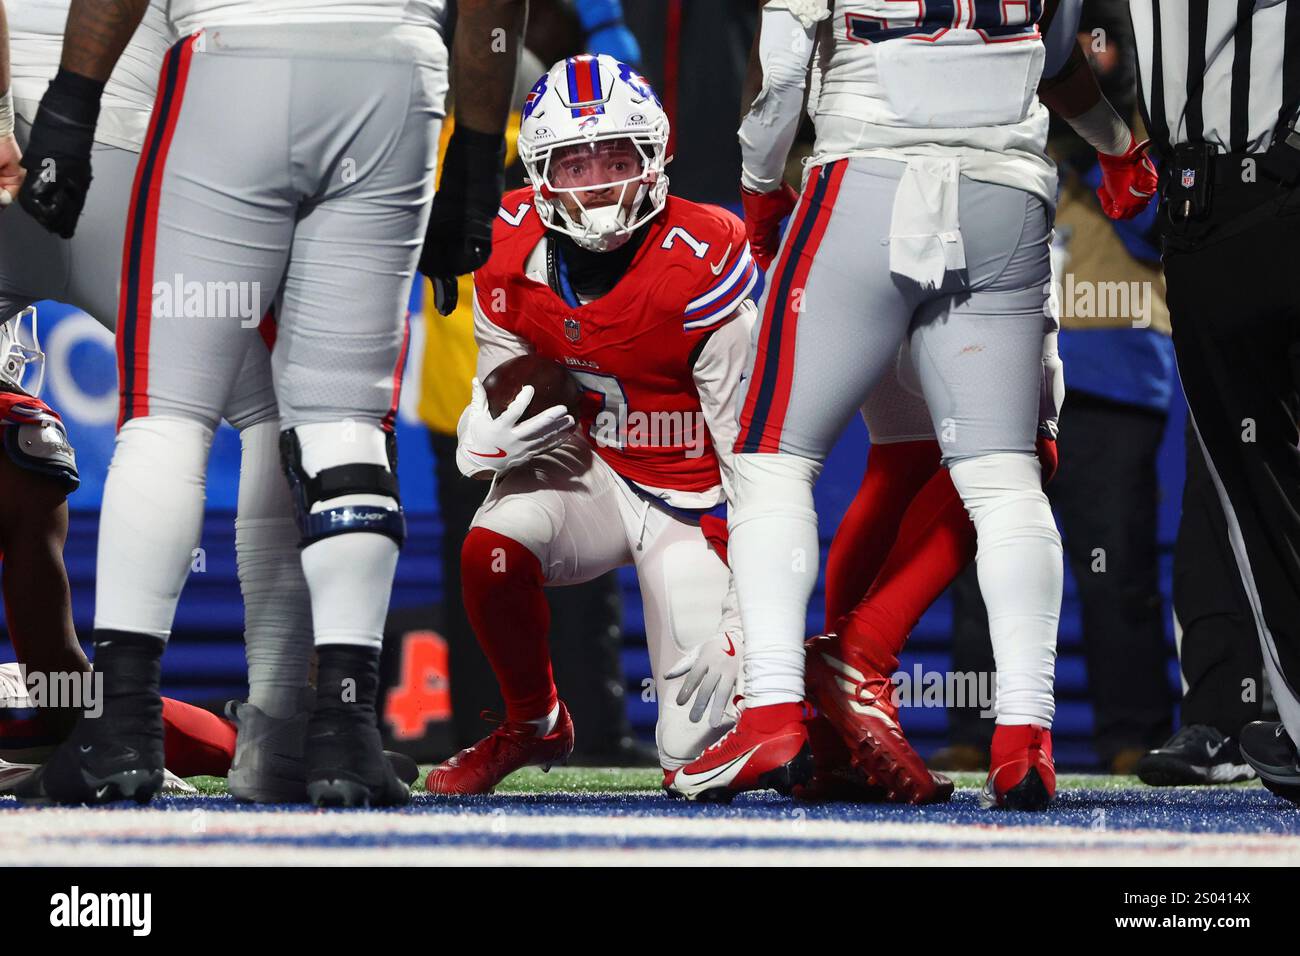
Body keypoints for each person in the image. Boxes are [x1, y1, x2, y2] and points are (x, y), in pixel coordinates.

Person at [15, 0, 523, 808]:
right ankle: (328, 729)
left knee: (168, 411)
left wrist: (69, 100)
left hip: (227, 58)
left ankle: (120, 727)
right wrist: (479, 147)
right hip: (395, 72)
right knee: (335, 417)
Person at [674, 0, 1152, 808]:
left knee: (770, 459)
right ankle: (1024, 739)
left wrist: (759, 188)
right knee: (1003, 479)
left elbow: (784, 67)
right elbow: (1058, 56)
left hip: (866, 178)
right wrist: (1119, 146)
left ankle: (773, 713)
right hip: (1005, 194)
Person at [0, 0, 317, 803]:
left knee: (23, 466)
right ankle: (284, 728)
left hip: (70, 145)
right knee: (281, 418)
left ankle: (150, 726)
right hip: (129, 155)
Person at [425, 54, 752, 796]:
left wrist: (745, 621)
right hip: (595, 469)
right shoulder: (507, 243)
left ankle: (808, 708)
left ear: (656, 156)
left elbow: (756, 466)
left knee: (690, 763)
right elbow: (499, 387)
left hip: (694, 502)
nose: (599, 180)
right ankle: (531, 721)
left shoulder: (703, 257)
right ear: (539, 173)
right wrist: (484, 440)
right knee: (491, 549)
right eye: (574, 162)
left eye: (615, 157)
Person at [1125, 1, 1300, 805]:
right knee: (1245, 479)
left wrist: (1112, 143)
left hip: (1220, 210)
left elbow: (1053, 51)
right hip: (1217, 206)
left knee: (1251, 486)